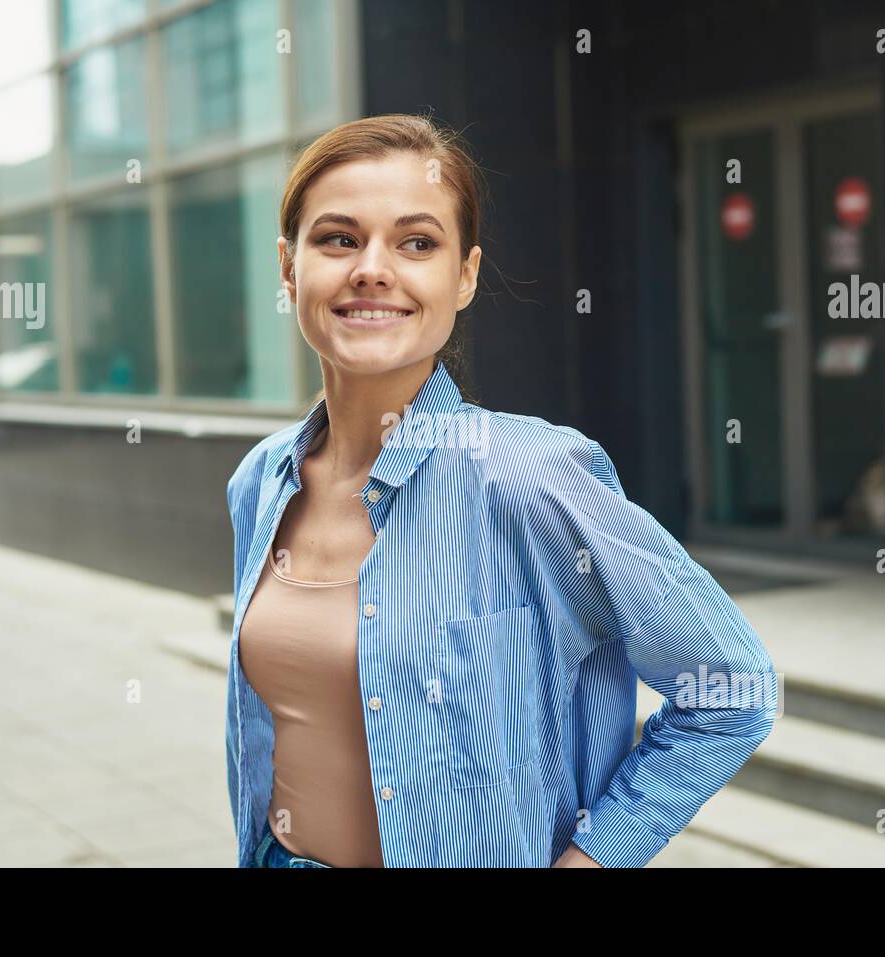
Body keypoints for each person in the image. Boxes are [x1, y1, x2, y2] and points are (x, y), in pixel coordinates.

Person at [226, 112, 777, 868]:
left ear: (466, 275)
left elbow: (732, 690)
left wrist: (594, 858)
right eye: (338, 239)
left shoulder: (531, 476)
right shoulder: (261, 482)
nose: (372, 268)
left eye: (417, 242)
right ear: (290, 270)